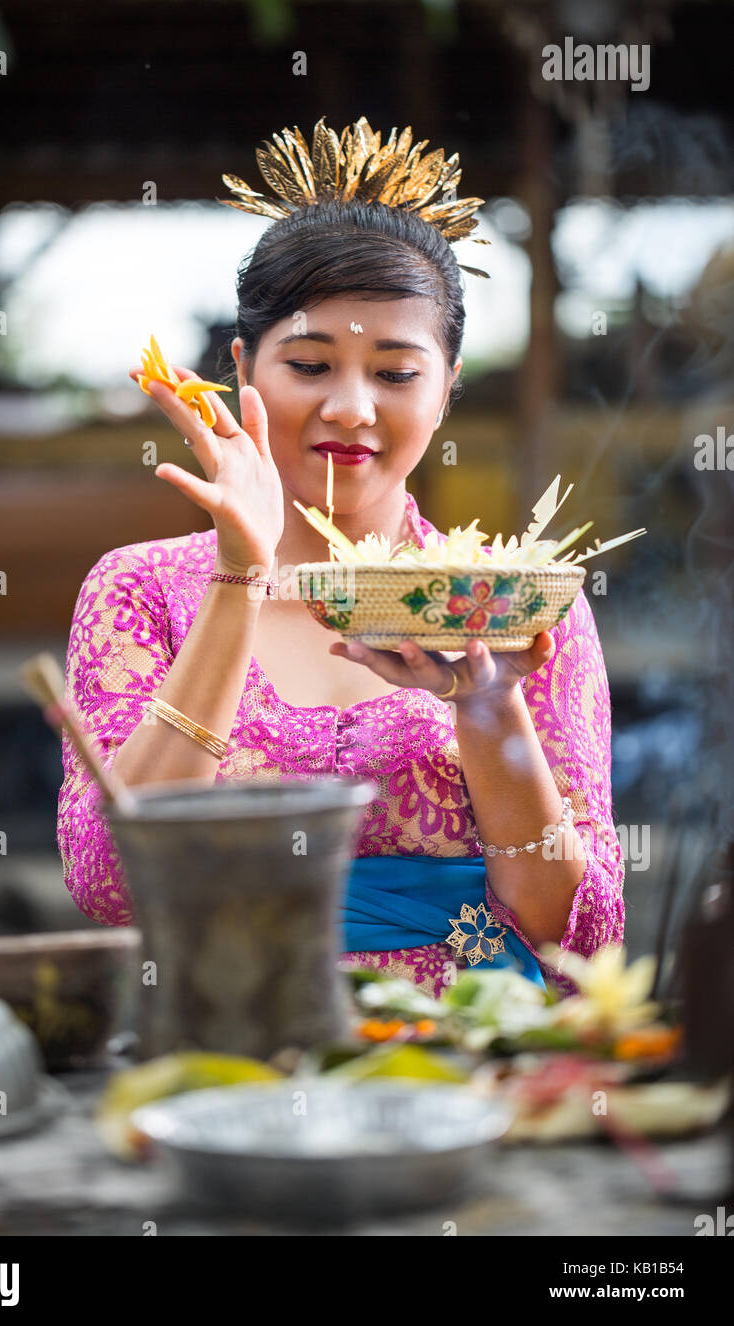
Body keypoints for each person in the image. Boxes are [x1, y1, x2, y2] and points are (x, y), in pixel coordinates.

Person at [57, 116, 624, 997]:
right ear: (243, 369)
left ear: (448, 388)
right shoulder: (137, 590)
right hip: (227, 1048)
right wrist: (238, 580)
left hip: (472, 1054)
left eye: (396, 373)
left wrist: (488, 709)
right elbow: (109, 880)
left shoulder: (516, 607)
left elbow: (575, 927)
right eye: (311, 364)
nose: (353, 408)